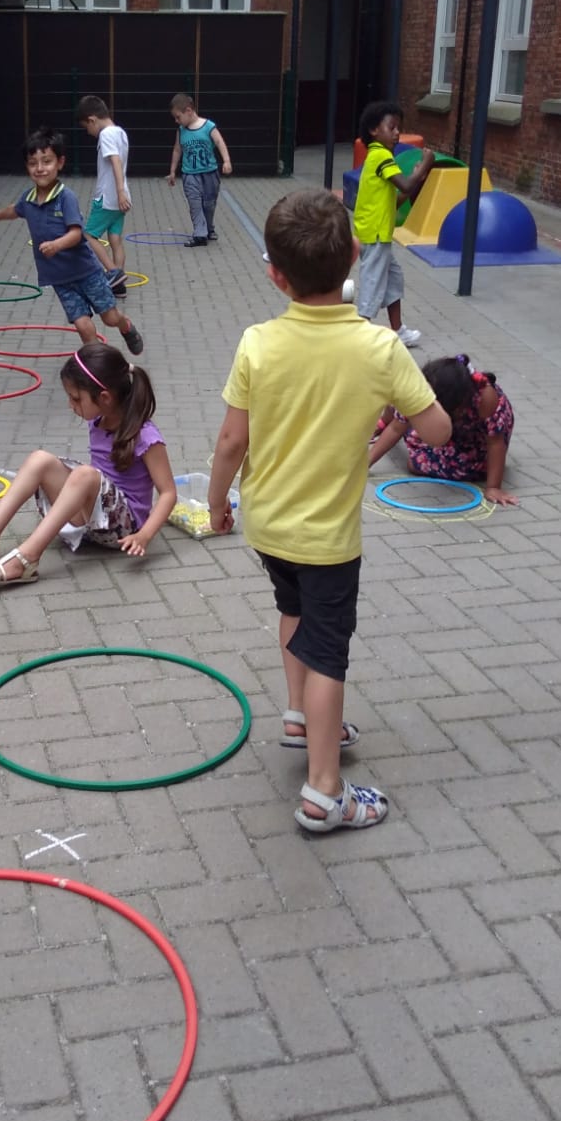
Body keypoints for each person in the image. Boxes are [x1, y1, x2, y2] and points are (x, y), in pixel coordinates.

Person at [206, 189, 451, 832]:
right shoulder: (379, 348)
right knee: (329, 653)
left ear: (275, 274)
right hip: (329, 541)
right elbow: (440, 428)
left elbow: (232, 442)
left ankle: (298, 714)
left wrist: (215, 506)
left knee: (293, 614)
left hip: (268, 526)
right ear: (353, 256)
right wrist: (407, 410)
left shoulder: (257, 343)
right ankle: (324, 791)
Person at [0, 342, 176, 587]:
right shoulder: (98, 419)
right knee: (39, 459)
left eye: (76, 398)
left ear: (105, 398)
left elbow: (168, 493)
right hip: (92, 520)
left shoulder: (146, 436)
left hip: (123, 529)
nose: (70, 405)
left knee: (85, 474)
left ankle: (28, 558)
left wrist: (145, 535)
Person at [0, 127, 143, 355]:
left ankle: (127, 326)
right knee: (83, 326)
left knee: (110, 317)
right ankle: (99, 362)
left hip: (87, 272)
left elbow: (77, 233)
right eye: (33, 163)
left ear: (60, 163)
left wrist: (56, 245)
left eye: (46, 161)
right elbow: (14, 210)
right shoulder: (28, 198)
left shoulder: (66, 198)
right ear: (27, 167)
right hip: (60, 279)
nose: (40, 168)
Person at [369, 352, 518, 505]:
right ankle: (383, 423)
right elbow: (396, 428)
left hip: (474, 436)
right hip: (447, 425)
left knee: (418, 464)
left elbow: (495, 443)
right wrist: (366, 463)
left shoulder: (485, 398)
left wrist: (493, 487)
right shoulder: (422, 388)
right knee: (399, 403)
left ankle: (415, 425)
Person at [353, 99, 435, 348]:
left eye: (399, 127)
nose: (397, 133)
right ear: (374, 131)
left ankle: (397, 329)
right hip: (375, 234)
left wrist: (417, 176)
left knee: (393, 278)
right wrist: (424, 168)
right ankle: (360, 334)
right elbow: (407, 185)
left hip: (377, 232)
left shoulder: (378, 157)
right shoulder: (381, 156)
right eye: (392, 127)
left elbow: (398, 200)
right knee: (373, 282)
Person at [76, 94, 131, 297]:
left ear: (92, 119)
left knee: (88, 234)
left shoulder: (106, 134)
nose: (89, 132)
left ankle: (113, 273)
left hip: (109, 197)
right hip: (121, 198)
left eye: (86, 127)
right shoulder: (120, 133)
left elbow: (115, 161)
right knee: (115, 238)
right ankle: (119, 286)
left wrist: (118, 191)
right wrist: (123, 192)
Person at [166, 93, 232, 247]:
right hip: (190, 174)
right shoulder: (181, 131)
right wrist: (172, 171)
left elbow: (220, 142)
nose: (177, 121)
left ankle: (209, 228)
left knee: (209, 204)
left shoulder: (209, 126)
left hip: (209, 172)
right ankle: (199, 234)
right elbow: (177, 150)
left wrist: (226, 161)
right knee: (194, 203)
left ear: (188, 111)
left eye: (178, 117)